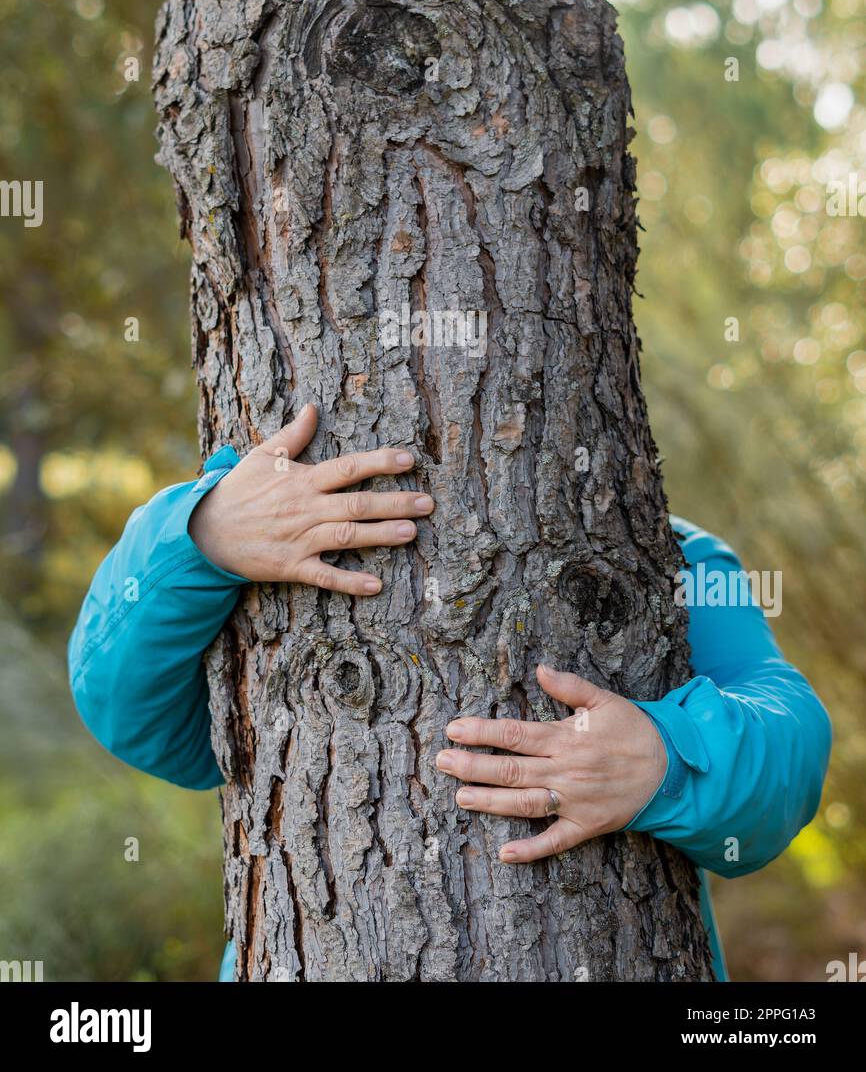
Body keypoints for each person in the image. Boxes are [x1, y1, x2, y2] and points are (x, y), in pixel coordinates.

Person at [68, 403, 831, 982]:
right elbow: (130, 712)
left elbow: (789, 745)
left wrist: (670, 761)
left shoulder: (670, 557)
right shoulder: (271, 528)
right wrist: (198, 537)